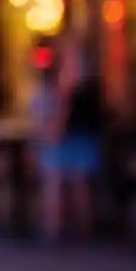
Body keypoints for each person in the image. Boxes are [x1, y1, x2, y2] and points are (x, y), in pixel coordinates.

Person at [33, 38, 105, 242]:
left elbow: (60, 118)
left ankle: (54, 231)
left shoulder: (69, 85)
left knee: (59, 185)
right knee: (78, 185)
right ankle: (81, 231)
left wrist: (48, 133)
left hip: (69, 139)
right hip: (82, 137)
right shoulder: (90, 83)